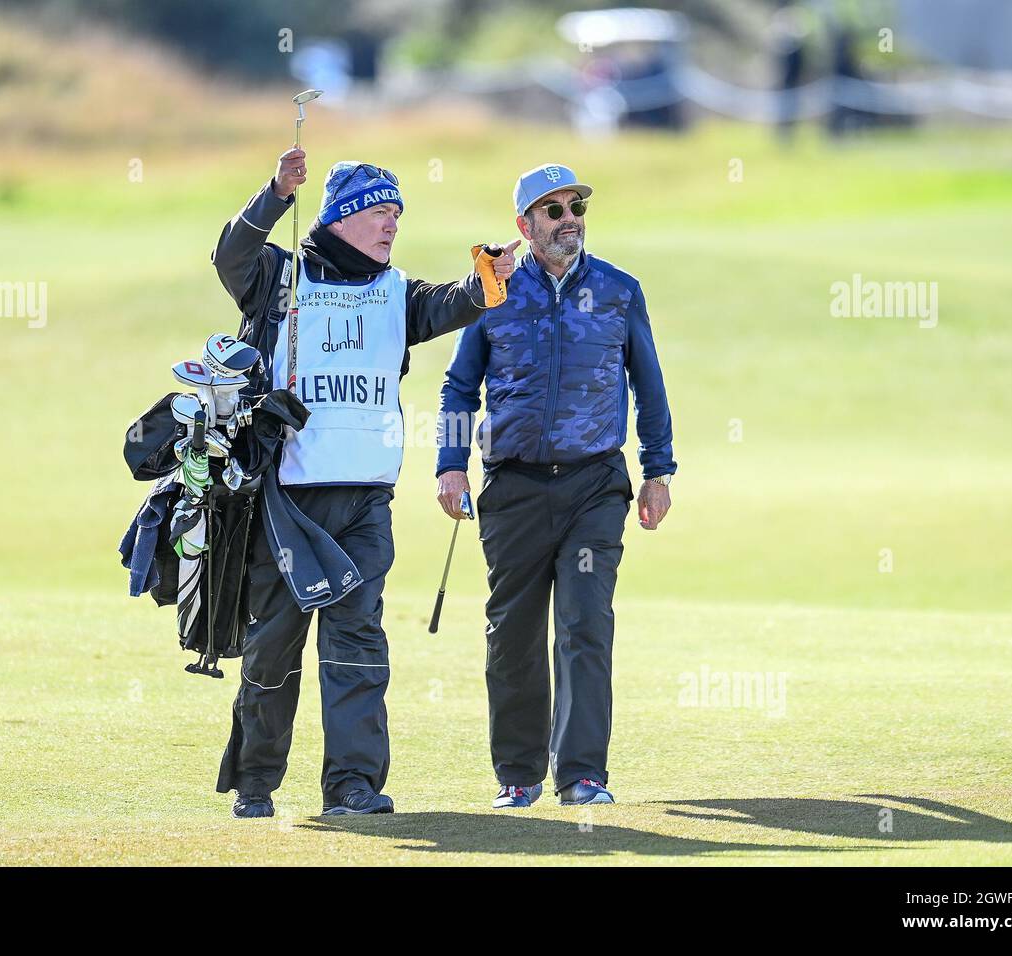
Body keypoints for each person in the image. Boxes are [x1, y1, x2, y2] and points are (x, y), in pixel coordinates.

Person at [212, 146, 517, 818]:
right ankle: (256, 783)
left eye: (397, 215)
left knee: (357, 646)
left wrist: (489, 277)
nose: (391, 225)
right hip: (286, 498)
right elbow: (229, 256)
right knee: (274, 644)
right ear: (342, 219)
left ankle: (352, 786)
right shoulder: (279, 278)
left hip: (366, 501)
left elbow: (454, 303)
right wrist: (274, 195)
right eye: (379, 212)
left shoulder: (396, 292)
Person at [435, 163, 676, 809]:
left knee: (585, 623)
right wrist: (450, 464)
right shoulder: (494, 293)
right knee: (512, 631)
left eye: (576, 209)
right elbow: (459, 387)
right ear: (525, 226)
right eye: (553, 211)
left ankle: (583, 776)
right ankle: (518, 775)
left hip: (595, 485)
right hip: (512, 488)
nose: (569, 220)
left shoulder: (621, 290)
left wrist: (659, 471)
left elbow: (649, 387)